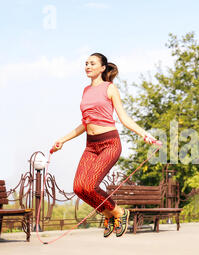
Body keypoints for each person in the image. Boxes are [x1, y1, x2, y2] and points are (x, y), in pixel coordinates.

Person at [52, 53, 157, 238]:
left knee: (90, 185)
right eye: (86, 63)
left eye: (92, 63)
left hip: (109, 143)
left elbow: (124, 118)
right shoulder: (85, 91)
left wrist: (144, 134)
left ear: (102, 68)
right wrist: (63, 139)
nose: (87, 66)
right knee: (79, 187)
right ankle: (108, 214)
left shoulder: (110, 88)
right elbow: (85, 124)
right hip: (91, 146)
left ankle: (119, 213)